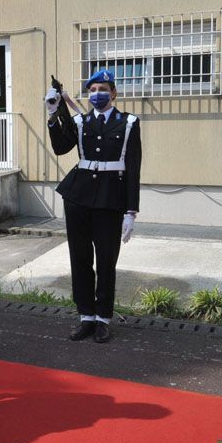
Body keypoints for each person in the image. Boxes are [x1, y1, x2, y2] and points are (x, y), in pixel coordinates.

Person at [47, 69, 142, 344]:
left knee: (105, 260)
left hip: (111, 198)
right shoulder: (79, 121)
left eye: (103, 89)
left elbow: (133, 168)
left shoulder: (128, 123)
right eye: (93, 90)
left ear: (113, 93)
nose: (97, 94)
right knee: (79, 258)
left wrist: (130, 211)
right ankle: (85, 315)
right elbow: (60, 147)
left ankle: (103, 318)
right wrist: (53, 115)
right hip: (79, 195)